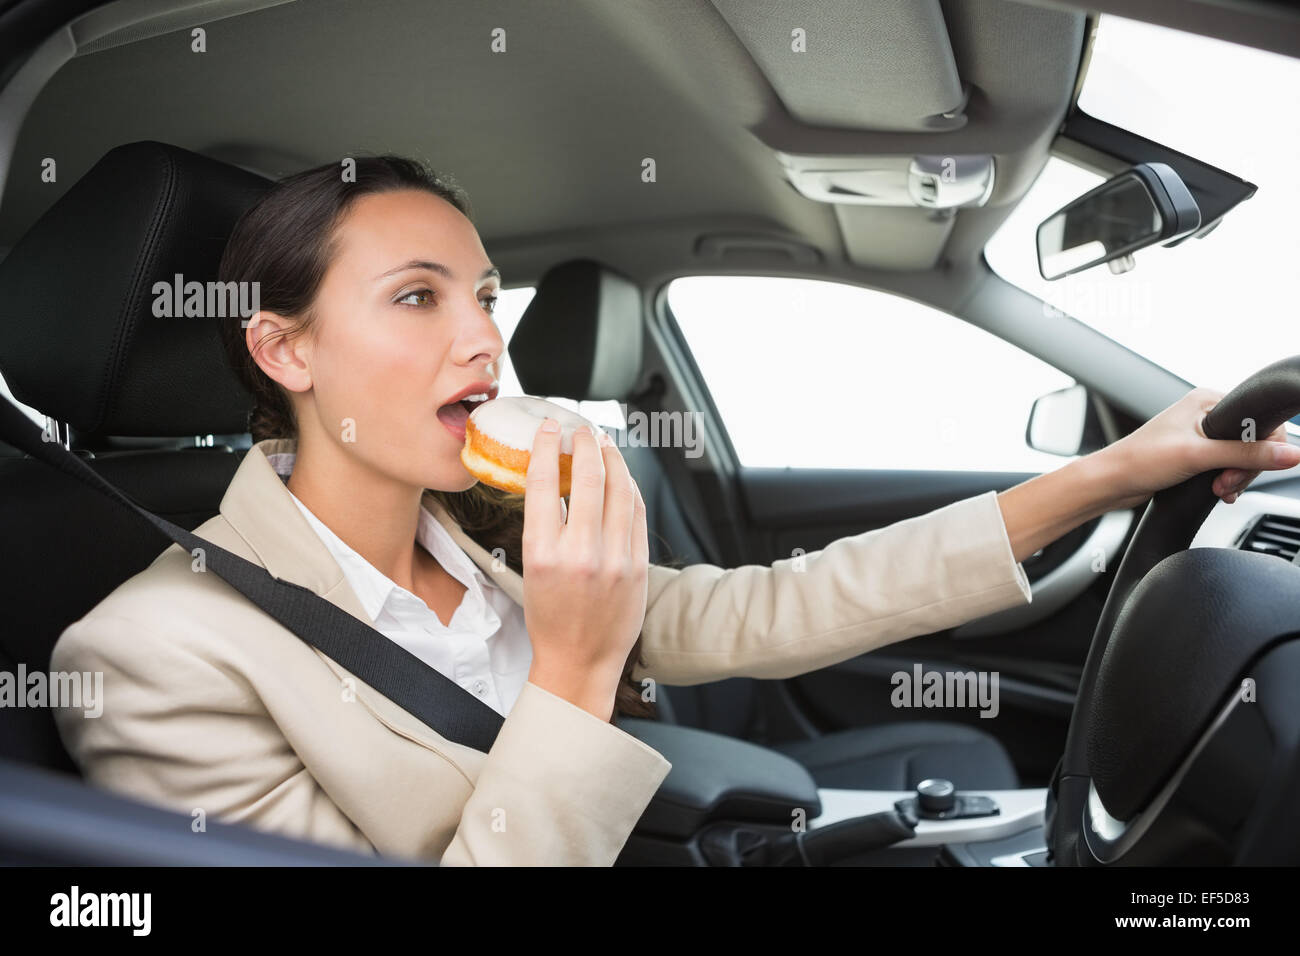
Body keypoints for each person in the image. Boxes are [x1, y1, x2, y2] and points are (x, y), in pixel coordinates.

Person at [49, 156, 1300, 865]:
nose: (484, 339)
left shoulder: (487, 534)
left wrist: (1110, 471)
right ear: (285, 350)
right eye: (419, 297)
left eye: (484, 295)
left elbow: (785, 602)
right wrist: (577, 669)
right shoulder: (152, 657)